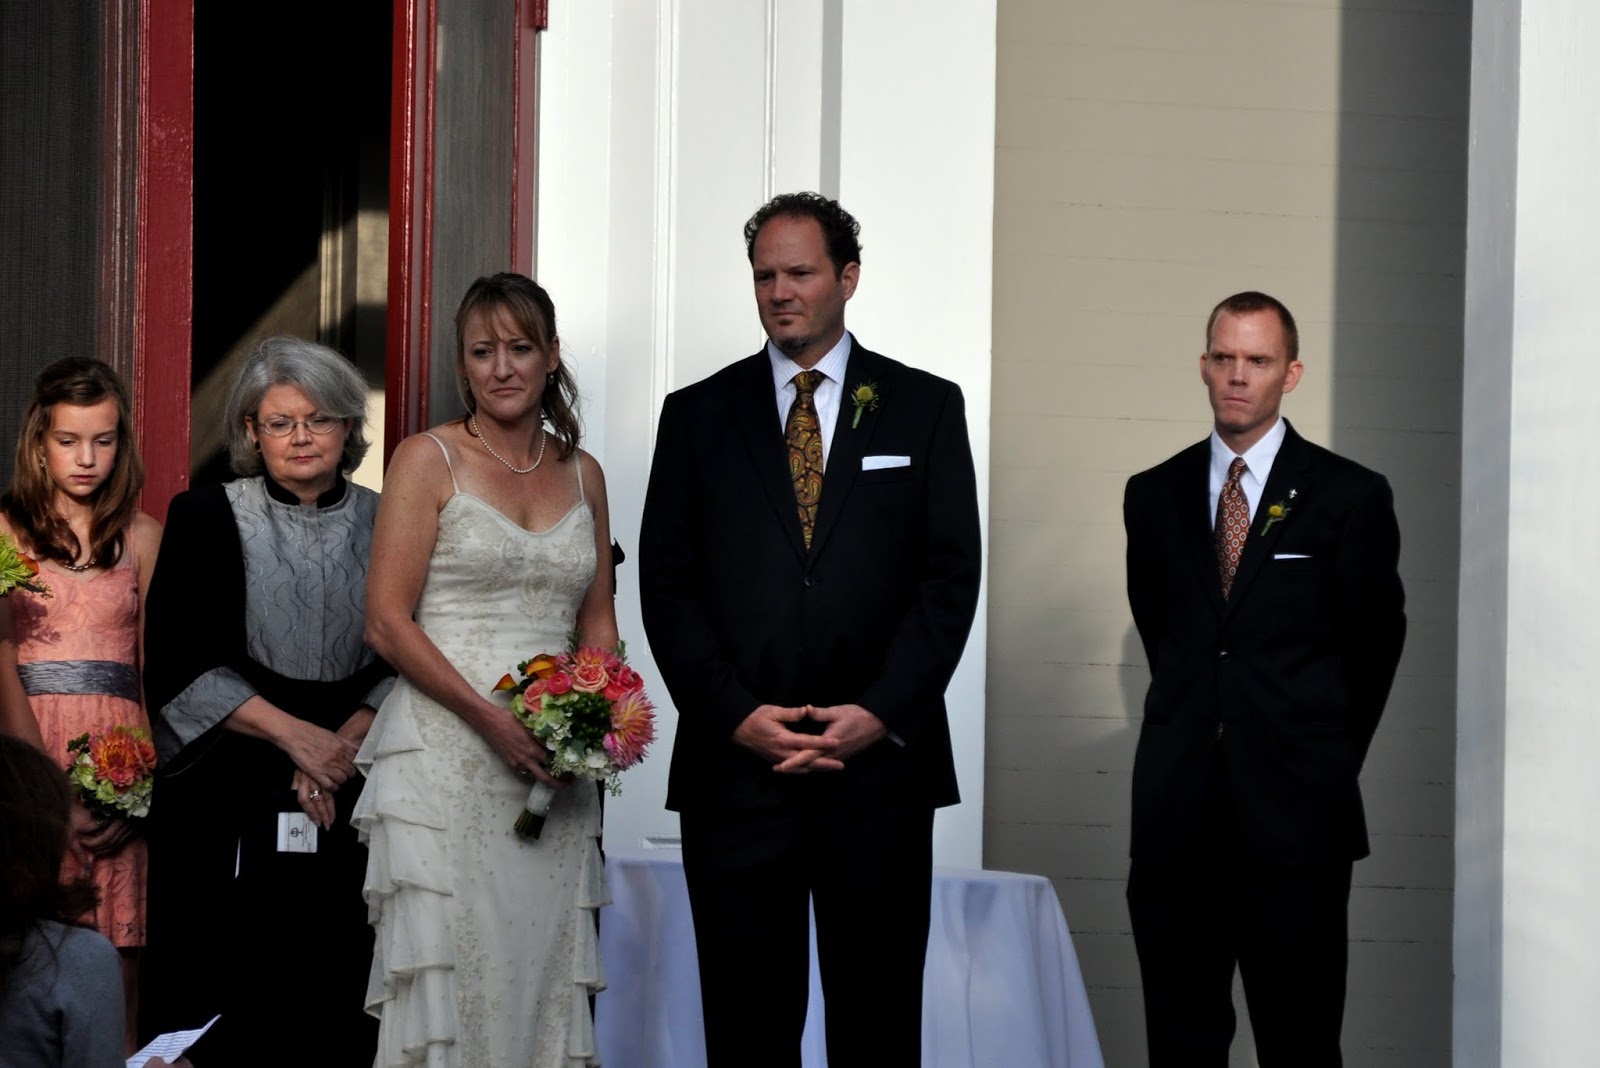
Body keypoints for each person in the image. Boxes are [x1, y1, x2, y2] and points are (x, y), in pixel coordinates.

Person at [638, 192, 983, 1067]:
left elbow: (949, 582)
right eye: (765, 275)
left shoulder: (924, 406)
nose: (780, 291)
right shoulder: (697, 415)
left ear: (848, 278)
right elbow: (668, 588)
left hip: (877, 780)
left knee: (876, 1029)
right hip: (737, 778)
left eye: (800, 272)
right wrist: (732, 715)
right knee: (747, 1034)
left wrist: (879, 713)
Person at [1122, 291, 1407, 1067]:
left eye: (1258, 360)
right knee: (1181, 1043)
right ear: (1203, 366)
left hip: (1297, 824)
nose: (1237, 377)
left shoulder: (1349, 496)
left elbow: (1375, 647)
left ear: (1292, 373)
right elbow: (1171, 638)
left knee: (1301, 1044)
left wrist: (1315, 762)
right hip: (1177, 822)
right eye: (1224, 358)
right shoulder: (1152, 495)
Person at [354, 273, 617, 1067]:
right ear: (463, 365)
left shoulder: (585, 473)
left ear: (551, 356)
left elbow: (596, 618)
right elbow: (386, 622)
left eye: (520, 348)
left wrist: (595, 730)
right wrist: (491, 719)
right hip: (448, 760)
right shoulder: (426, 459)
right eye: (482, 351)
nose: (502, 367)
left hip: (554, 773)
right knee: (455, 974)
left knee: (539, 969)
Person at [140, 336, 394, 1065]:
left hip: (358, 773)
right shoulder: (203, 515)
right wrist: (296, 739)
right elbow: (181, 661)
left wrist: (338, 746)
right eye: (278, 422)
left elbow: (409, 650)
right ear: (251, 431)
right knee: (231, 988)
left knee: (342, 983)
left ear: (349, 428)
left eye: (318, 419)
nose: (300, 437)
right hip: (231, 780)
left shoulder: (391, 521)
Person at [0, 357, 163, 1052]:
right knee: (32, 947)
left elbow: (152, 673)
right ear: (40, 441)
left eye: (103, 440)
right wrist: (43, 794)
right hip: (27, 754)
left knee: (118, 953)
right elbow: (0, 657)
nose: (87, 458)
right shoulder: (5, 532)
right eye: (69, 440)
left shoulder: (146, 537)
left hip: (120, 765)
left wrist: (138, 792)